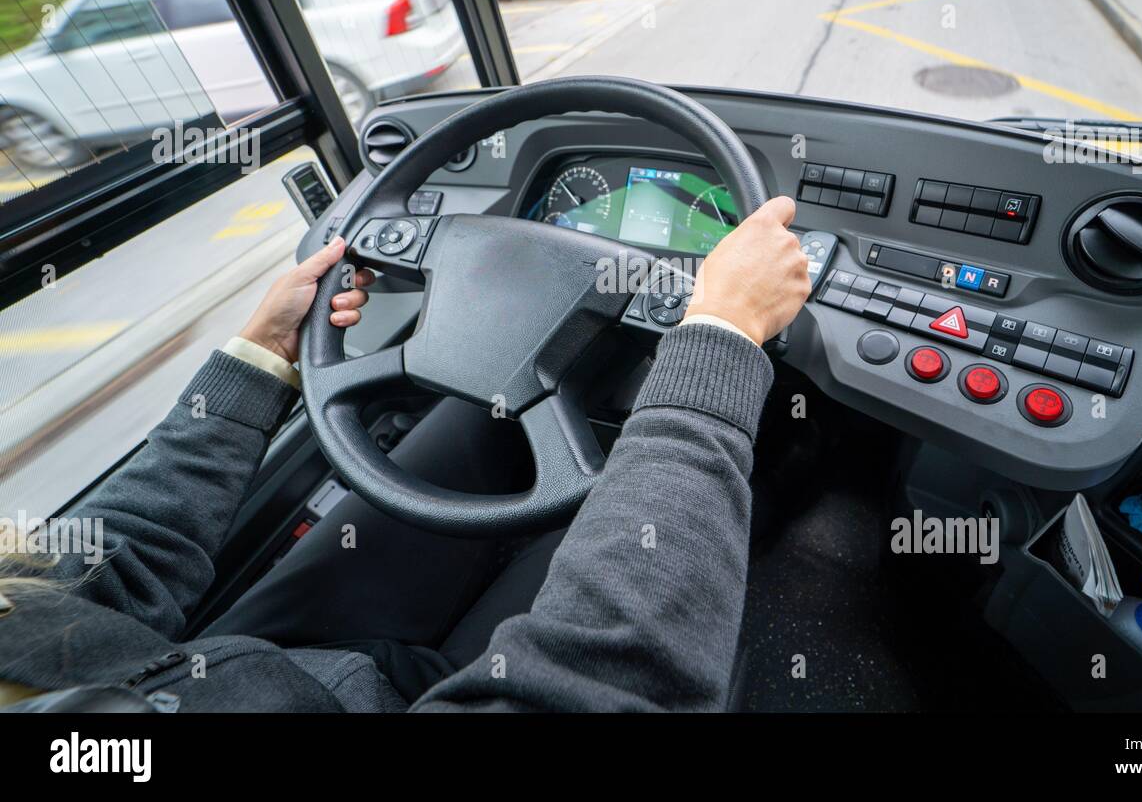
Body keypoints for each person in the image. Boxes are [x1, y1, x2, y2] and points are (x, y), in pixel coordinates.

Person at [0, 196, 811, 712]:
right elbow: (603, 683)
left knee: (478, 429)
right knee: (808, 531)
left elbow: (110, 571)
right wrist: (720, 335)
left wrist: (261, 352)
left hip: (282, 677)